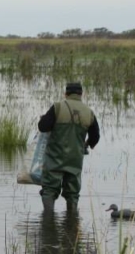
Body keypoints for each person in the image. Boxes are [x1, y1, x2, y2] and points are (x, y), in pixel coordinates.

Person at [37, 82, 100, 212]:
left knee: (49, 189)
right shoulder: (89, 113)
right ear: (81, 94)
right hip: (75, 160)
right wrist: (86, 145)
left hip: (54, 159)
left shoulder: (57, 107)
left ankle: (48, 221)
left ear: (65, 94)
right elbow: (95, 137)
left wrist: (45, 119)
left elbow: (42, 127)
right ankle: (72, 223)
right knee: (72, 193)